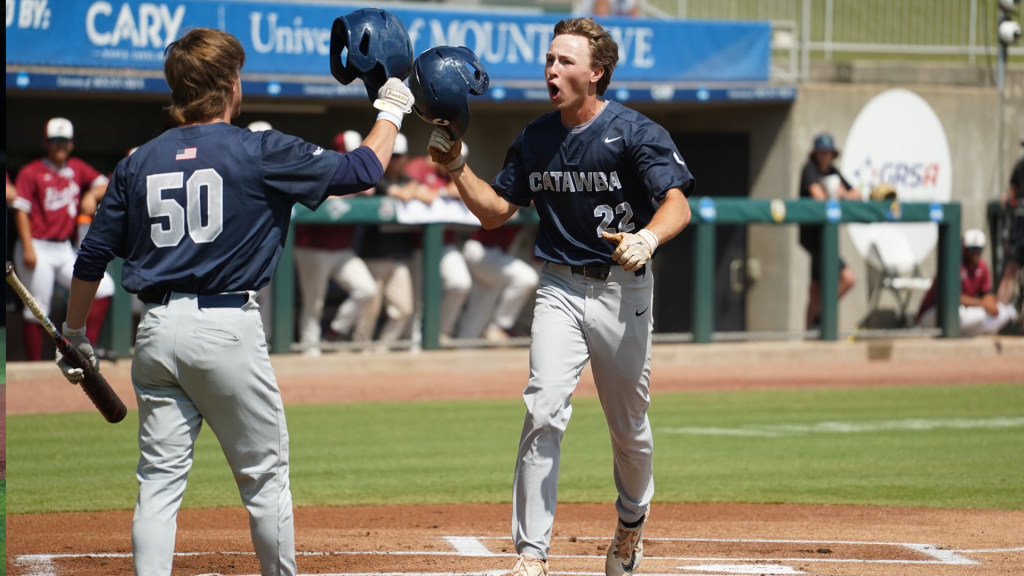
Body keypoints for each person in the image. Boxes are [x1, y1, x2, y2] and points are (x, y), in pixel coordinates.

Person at [58, 28, 411, 576]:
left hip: (154, 331)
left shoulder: (136, 161)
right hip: (225, 327)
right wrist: (391, 108)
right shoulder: (261, 149)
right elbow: (363, 169)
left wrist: (74, 335)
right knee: (264, 477)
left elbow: (92, 256)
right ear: (228, 85)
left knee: (158, 482)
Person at [427, 18, 694, 576]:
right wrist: (455, 165)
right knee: (543, 409)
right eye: (549, 59)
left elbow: (677, 203)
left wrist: (647, 237)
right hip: (559, 288)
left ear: (597, 73)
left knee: (629, 429)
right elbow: (497, 211)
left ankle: (631, 522)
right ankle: (532, 555)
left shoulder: (635, 132)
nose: (551, 69)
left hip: (623, 291)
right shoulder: (535, 137)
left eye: (565, 61)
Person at [12, 117, 116, 361]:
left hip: (64, 248)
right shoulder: (32, 171)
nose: (60, 145)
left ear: (71, 143)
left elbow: (108, 184)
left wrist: (91, 192)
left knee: (105, 287)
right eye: (55, 140)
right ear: (46, 143)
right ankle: (34, 366)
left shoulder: (77, 168)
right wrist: (27, 247)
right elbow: (21, 211)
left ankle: (83, 349)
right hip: (37, 244)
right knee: (37, 308)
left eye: (65, 141)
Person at [294, 130, 378, 356]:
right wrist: (353, 192)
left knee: (367, 289)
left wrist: (358, 189)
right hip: (312, 247)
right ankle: (309, 349)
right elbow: (313, 194)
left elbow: (371, 189)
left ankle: (336, 330)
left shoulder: (358, 170)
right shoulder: (321, 163)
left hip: (342, 249)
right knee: (314, 303)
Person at [354, 133, 418, 347]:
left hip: (398, 256)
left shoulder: (407, 179)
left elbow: (419, 189)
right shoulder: (376, 178)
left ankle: (382, 348)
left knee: (404, 308)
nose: (396, 160)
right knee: (369, 310)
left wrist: (413, 190)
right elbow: (401, 194)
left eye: (400, 155)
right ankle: (359, 349)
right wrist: (410, 192)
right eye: (393, 155)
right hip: (373, 254)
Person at [405, 145, 474, 341]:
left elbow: (468, 191)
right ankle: (416, 342)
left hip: (446, 242)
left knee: (460, 283)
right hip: (417, 245)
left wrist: (443, 190)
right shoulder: (419, 166)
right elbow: (412, 190)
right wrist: (440, 190)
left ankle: (440, 332)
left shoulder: (455, 171)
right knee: (419, 298)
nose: (452, 163)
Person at [798, 133, 860, 329]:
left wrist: (842, 193)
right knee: (847, 277)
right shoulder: (810, 169)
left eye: (828, 153)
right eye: (821, 152)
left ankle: (813, 324)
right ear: (815, 154)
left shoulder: (833, 171)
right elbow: (817, 195)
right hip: (812, 238)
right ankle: (817, 321)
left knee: (816, 288)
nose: (825, 156)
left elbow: (857, 194)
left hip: (827, 237)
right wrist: (836, 195)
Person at [917, 229, 1017, 336]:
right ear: (963, 249)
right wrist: (983, 304)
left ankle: (972, 332)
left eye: (978, 249)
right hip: (933, 314)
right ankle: (970, 332)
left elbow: (986, 294)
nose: (975, 253)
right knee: (971, 314)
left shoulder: (982, 267)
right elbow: (954, 299)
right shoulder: (953, 264)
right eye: (971, 249)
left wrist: (991, 304)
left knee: (1006, 311)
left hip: (967, 312)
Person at [457, 225, 539, 341]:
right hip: (481, 250)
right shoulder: (511, 205)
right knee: (526, 278)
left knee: (475, 321)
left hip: (495, 254)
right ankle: (498, 327)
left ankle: (465, 348)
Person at [996, 151, 1024, 315]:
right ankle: (998, 317)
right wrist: (1008, 198)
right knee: (1010, 270)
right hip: (1019, 228)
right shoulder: (1021, 165)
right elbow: (1013, 190)